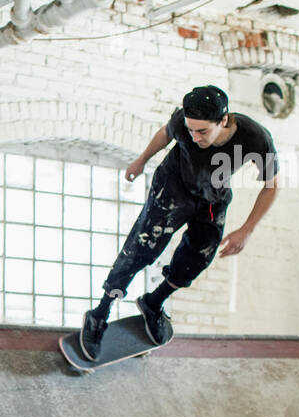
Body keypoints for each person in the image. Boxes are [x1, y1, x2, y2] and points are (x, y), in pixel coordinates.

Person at [79, 84, 280, 359]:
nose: (195, 137)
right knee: (141, 250)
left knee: (198, 258)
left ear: (224, 120)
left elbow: (272, 185)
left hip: (212, 196)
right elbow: (165, 133)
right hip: (174, 185)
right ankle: (100, 312)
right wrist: (141, 161)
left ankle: (153, 302)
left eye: (203, 131)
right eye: (191, 129)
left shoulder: (256, 138)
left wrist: (247, 229)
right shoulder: (183, 123)